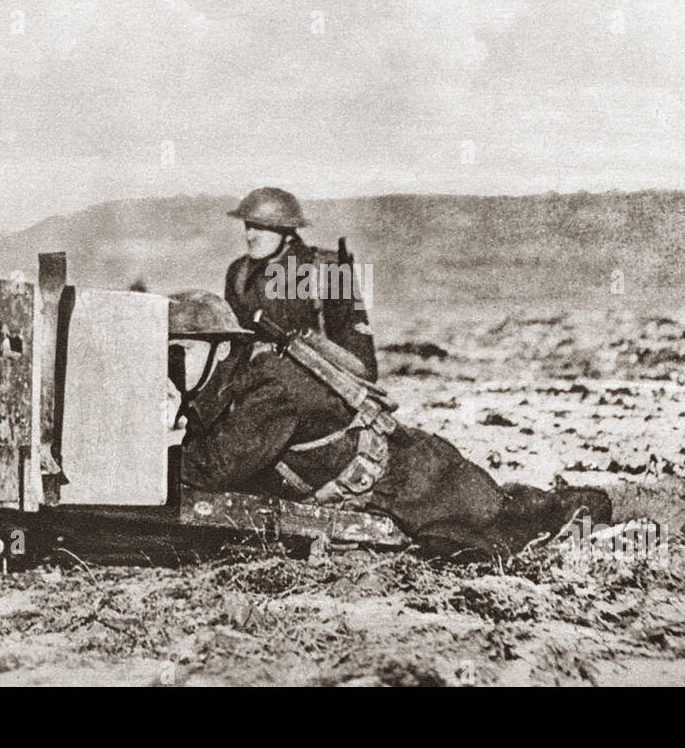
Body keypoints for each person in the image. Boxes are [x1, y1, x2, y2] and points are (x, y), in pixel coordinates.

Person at [167, 290, 610, 558]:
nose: (171, 365)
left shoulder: (269, 386)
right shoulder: (230, 381)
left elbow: (209, 468)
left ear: (222, 350)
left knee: (519, 529)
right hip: (390, 484)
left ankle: (637, 502)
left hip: (417, 481)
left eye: (180, 352)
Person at [224, 187, 378, 379]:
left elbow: (360, 359)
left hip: (321, 387)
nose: (250, 235)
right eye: (248, 225)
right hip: (260, 386)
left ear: (287, 231)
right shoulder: (239, 274)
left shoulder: (327, 270)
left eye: (260, 227)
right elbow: (232, 353)